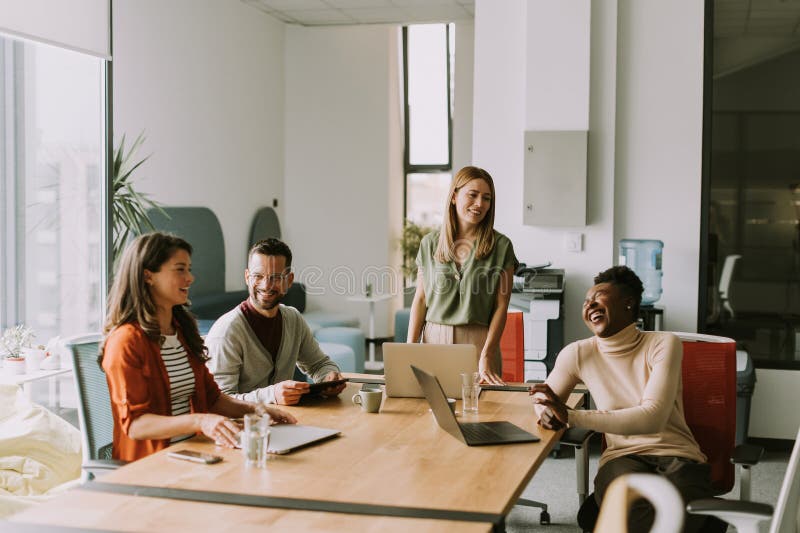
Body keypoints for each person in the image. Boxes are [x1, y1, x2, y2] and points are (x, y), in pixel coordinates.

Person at [530, 266, 719, 533]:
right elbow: (543, 396)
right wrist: (545, 411)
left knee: (673, 509)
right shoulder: (577, 353)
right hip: (622, 457)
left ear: (628, 303)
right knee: (633, 505)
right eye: (586, 302)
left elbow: (653, 417)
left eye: (599, 296)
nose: (590, 304)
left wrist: (571, 416)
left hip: (677, 455)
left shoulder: (664, 343)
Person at [101, 232, 296, 463]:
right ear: (148, 276)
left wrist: (258, 410)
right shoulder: (126, 341)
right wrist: (200, 421)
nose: (190, 278)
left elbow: (214, 399)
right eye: (180, 269)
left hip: (198, 453)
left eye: (189, 269)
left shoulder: (181, 331)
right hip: (151, 465)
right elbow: (135, 425)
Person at [406, 166, 518, 385]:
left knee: (482, 412)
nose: (479, 204)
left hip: (478, 343)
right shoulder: (429, 243)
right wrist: (409, 349)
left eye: (486, 198)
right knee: (428, 411)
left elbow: (501, 306)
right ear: (455, 196)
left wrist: (487, 354)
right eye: (473, 195)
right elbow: (420, 300)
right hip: (434, 339)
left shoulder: (502, 246)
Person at [206, 238, 346, 405]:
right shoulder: (227, 331)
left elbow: (319, 364)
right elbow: (218, 400)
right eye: (258, 276)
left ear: (289, 281)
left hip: (287, 421)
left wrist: (329, 377)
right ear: (247, 277)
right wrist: (272, 395)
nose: (266, 285)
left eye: (276, 277)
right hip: (246, 428)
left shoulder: (293, 319)